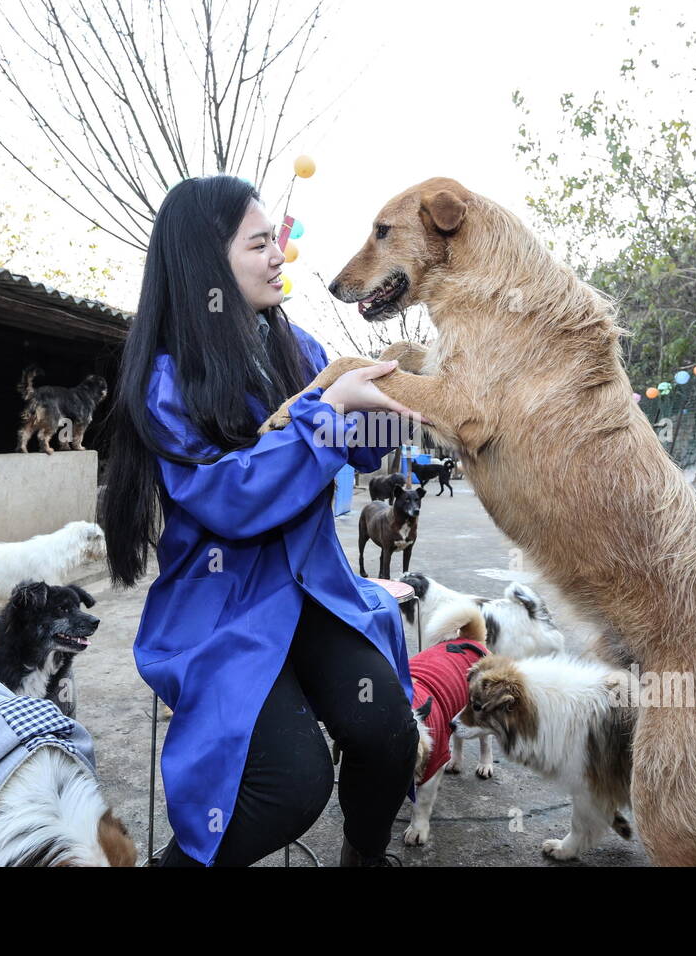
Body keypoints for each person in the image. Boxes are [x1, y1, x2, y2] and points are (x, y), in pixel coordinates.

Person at [101, 175, 426, 867]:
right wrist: (329, 410)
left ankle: (363, 858)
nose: (279, 255)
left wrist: (390, 395)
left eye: (275, 240)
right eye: (258, 244)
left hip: (311, 589)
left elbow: (360, 446)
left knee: (387, 728)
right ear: (204, 263)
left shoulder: (294, 346)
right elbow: (234, 498)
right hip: (225, 607)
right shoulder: (170, 380)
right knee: (289, 784)